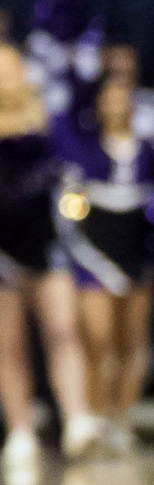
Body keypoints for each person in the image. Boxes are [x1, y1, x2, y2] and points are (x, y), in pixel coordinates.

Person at [0, 46, 100, 479]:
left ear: (24, 75)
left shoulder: (48, 122)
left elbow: (75, 174)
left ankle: (77, 418)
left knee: (62, 331)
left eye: (11, 73)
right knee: (8, 342)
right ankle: (20, 430)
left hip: (47, 243)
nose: (6, 82)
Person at [58, 76, 154, 456]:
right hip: (94, 247)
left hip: (136, 247)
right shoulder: (84, 149)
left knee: (132, 339)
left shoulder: (147, 151)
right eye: (108, 100)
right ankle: (93, 415)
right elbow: (70, 208)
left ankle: (121, 417)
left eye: (121, 99)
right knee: (97, 338)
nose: (115, 107)